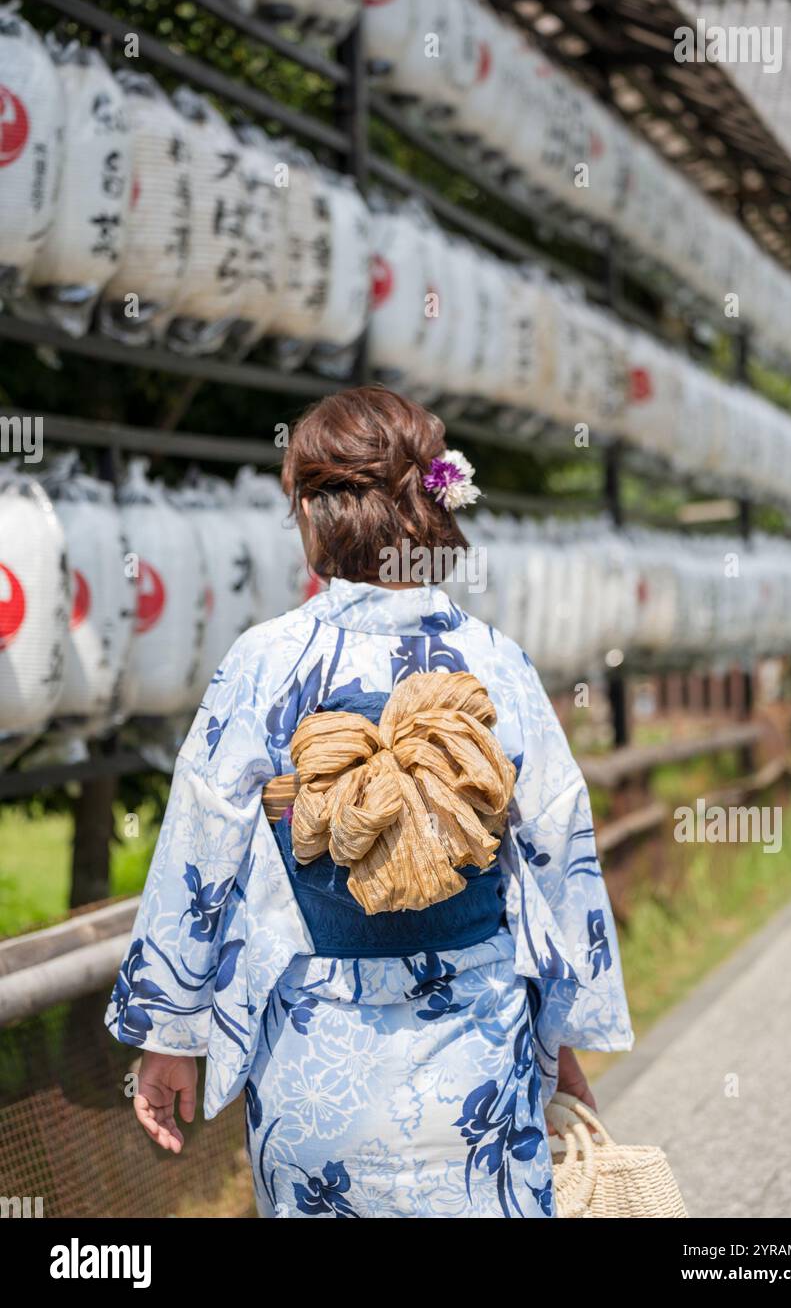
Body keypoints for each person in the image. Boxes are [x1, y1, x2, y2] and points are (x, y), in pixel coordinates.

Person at [105, 386, 633, 1219]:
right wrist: (561, 1039)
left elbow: (199, 848)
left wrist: (170, 1036)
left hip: (317, 1066)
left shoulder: (264, 664)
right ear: (429, 507)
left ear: (314, 519)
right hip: (476, 1058)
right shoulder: (495, 661)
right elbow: (558, 848)